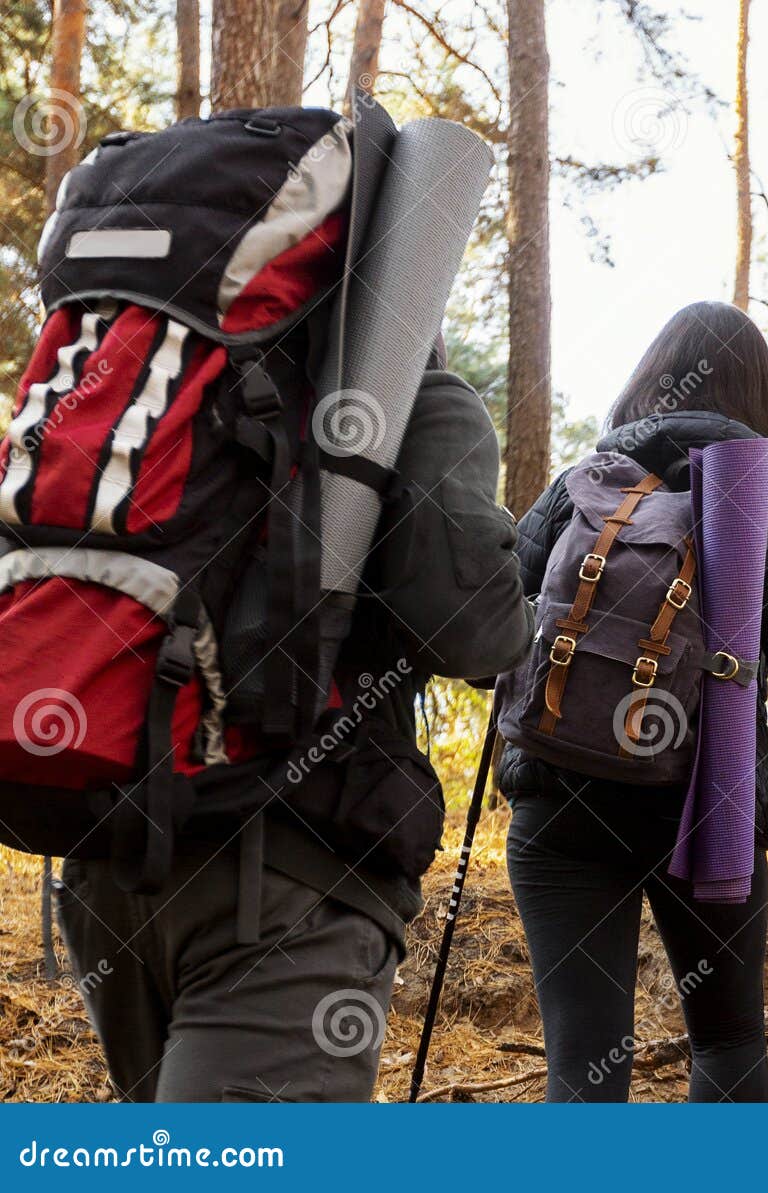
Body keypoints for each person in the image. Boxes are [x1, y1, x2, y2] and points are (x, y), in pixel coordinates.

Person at [56, 362, 534, 1102]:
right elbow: (473, 633)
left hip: (107, 859)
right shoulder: (404, 390)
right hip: (289, 879)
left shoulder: (139, 375)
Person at [498, 301, 768, 1102]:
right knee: (724, 1038)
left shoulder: (580, 490)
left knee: (582, 1064)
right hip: (701, 808)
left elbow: (490, 637)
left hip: (558, 804)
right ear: (761, 397)